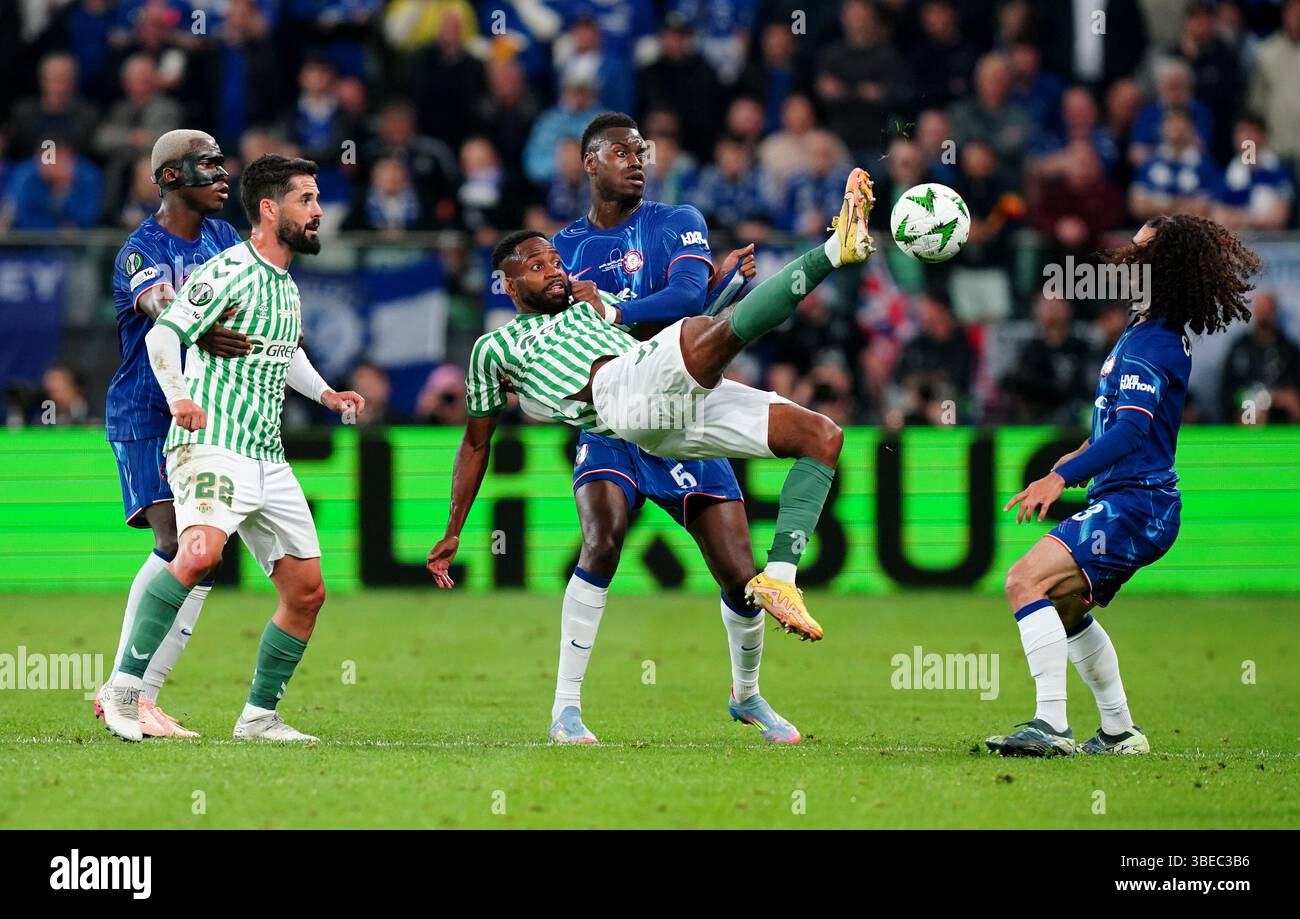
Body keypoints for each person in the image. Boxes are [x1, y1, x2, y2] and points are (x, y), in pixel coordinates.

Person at [427, 170, 878, 725]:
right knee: (604, 539)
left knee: (821, 435)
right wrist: (453, 529)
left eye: (554, 260)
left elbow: (685, 337)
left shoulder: (596, 303)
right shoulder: (493, 347)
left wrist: (728, 287)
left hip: (670, 406)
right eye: (535, 266)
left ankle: (780, 583)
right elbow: (476, 443)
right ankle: (834, 248)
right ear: (509, 285)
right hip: (620, 405)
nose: (553, 270)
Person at [543, 111, 797, 746]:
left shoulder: (679, 221)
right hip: (610, 420)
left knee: (742, 578)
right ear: (589, 163)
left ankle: (747, 694)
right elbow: (553, 335)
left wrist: (620, 308)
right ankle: (566, 710)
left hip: (683, 418)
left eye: (642, 151)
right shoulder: (561, 248)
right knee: (601, 541)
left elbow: (686, 302)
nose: (637, 160)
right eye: (621, 151)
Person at [96, 154, 367, 744]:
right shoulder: (225, 271)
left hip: (268, 456)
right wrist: (178, 399)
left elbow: (283, 350)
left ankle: (258, 717)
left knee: (307, 591)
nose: (319, 212)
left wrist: (326, 394)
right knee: (194, 556)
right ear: (271, 210)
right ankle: (123, 691)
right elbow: (165, 336)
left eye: (318, 200)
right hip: (211, 445)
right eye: (307, 201)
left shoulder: (285, 284)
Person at [988, 215, 1259, 757]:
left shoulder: (1152, 343)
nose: (1125, 258)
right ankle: (1118, 732)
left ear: (1163, 268)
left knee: (1023, 581)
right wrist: (1082, 454)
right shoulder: (1145, 331)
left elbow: (1134, 432)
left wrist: (1061, 474)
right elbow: (1126, 427)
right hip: (1133, 503)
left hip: (1137, 505)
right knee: (1063, 610)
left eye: (1140, 250)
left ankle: (1050, 727)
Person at [99, 129, 246, 739]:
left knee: (201, 559)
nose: (221, 175)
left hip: (208, 413)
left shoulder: (223, 237)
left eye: (221, 164)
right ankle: (119, 692)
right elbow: (160, 300)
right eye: (206, 166)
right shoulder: (141, 247)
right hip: (146, 411)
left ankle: (142, 694)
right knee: (174, 542)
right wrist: (199, 322)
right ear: (167, 178)